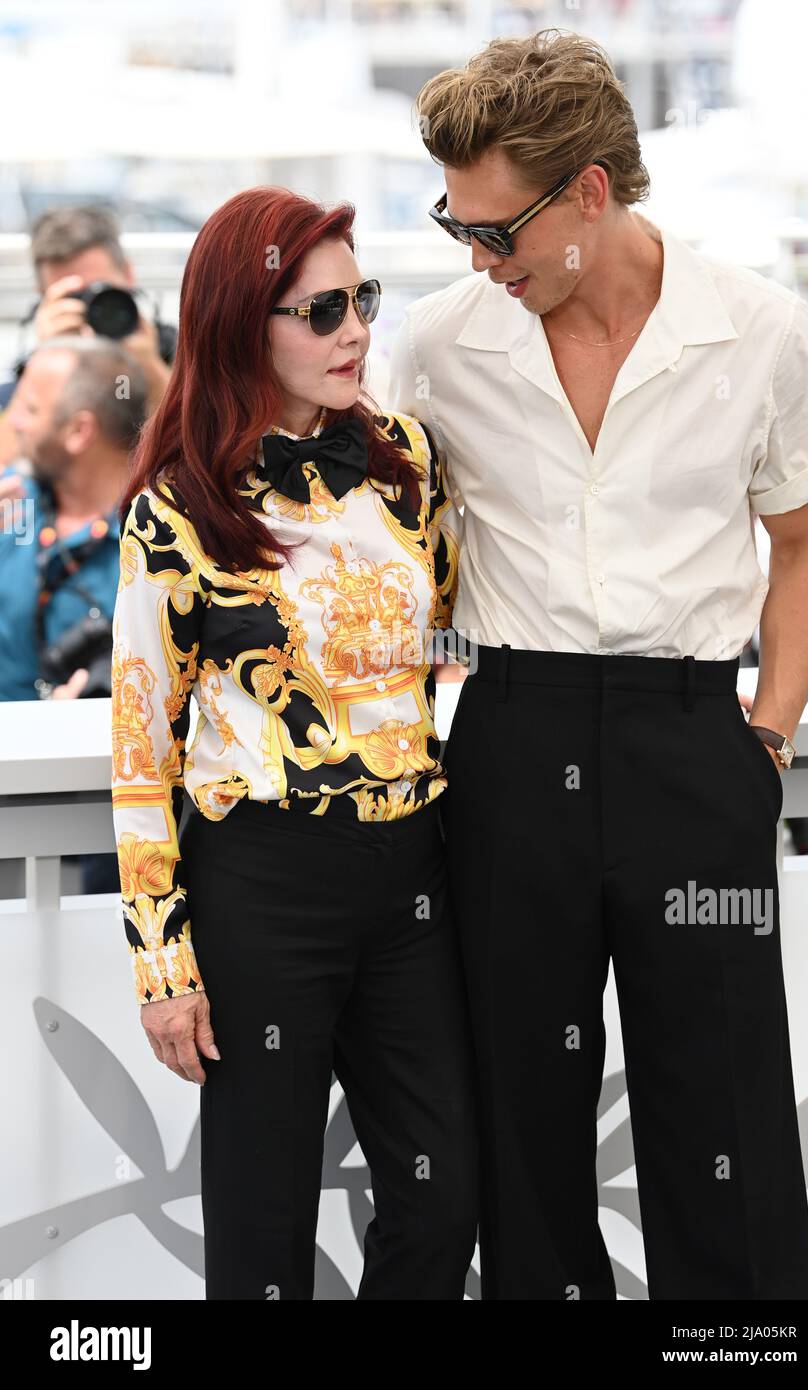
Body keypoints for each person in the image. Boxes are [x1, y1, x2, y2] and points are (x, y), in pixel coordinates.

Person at [388, 29, 808, 1299]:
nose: (478, 259)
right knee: (520, 1107)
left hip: (693, 741)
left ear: (589, 190)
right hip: (513, 740)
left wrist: (767, 731)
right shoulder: (433, 341)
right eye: (456, 226)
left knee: (727, 1105)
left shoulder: (757, 328)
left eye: (498, 231)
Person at [110, 185, 478, 1300]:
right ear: (241, 325)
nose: (357, 331)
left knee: (444, 1190)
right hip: (264, 881)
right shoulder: (179, 507)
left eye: (360, 299)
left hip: (414, 873)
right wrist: (163, 961)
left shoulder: (408, 462)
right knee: (264, 1227)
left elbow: (442, 651)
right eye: (320, 312)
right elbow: (142, 745)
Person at [0, 336, 148, 892]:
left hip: (108, 840)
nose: (12, 420)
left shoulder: (159, 538)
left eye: (30, 408)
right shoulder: (11, 505)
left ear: (79, 431)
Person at [0, 204, 175, 468]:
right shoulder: (26, 387)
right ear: (43, 297)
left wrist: (149, 367)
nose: (92, 311)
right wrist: (46, 361)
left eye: (102, 295)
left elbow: (200, 446)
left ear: (128, 274)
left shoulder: (180, 358)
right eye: (74, 299)